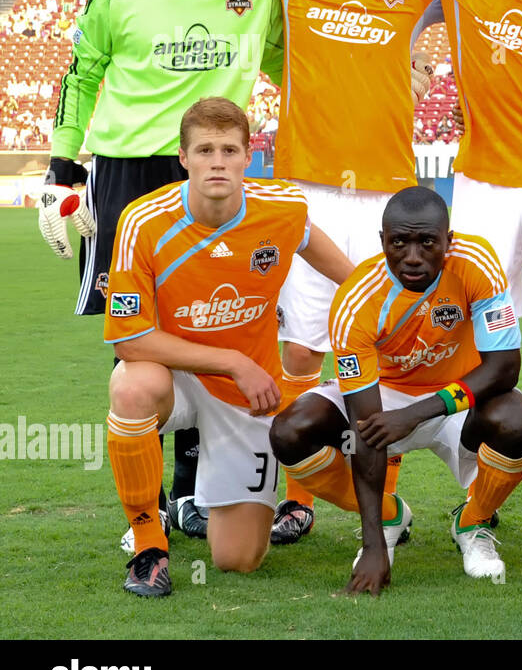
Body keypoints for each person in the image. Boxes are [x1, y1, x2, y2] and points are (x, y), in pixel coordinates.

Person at [112, 0, 522, 544]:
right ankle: (301, 493)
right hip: (309, 194)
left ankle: (410, 496)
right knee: (304, 349)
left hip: (391, 198)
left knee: (391, 342)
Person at [51, 0, 285, 546]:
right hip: (127, 173)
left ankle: (193, 491)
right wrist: (63, 170)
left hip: (212, 171)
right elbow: (82, 73)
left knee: (218, 318)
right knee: (136, 343)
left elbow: (292, 59)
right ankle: (143, 503)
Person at [104, 97, 352, 596]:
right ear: (183, 156)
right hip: (175, 378)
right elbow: (129, 337)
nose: (217, 161)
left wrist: (404, 307)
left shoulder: (284, 210)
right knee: (131, 387)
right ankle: (149, 547)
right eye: (205, 150)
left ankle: (233, 493)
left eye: (229, 150)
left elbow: (351, 278)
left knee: (237, 560)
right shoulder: (143, 221)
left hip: (248, 395)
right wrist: (233, 361)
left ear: (248, 156)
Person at [269, 186, 522, 593]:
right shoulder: (357, 299)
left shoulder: (476, 262)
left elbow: (505, 368)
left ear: (449, 241)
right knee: (290, 432)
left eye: (427, 242)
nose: (412, 256)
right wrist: (374, 546)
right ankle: (388, 518)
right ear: (382, 241)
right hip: (382, 395)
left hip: (453, 395)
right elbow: (365, 427)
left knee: (514, 417)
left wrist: (417, 413)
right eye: (399, 243)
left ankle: (473, 521)